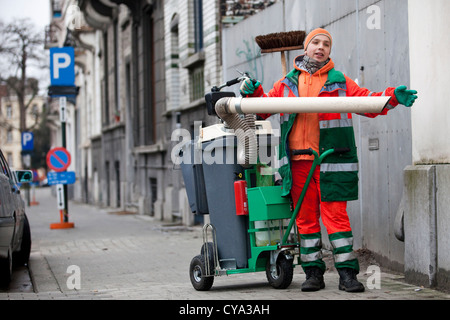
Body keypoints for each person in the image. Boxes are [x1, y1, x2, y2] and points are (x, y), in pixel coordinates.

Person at [240, 28, 417, 292]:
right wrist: (253, 93)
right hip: (299, 163)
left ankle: (347, 275)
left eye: (326, 44)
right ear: (306, 47)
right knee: (306, 219)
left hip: (332, 162)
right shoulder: (286, 84)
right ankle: (313, 274)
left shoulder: (340, 81)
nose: (321, 47)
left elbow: (366, 102)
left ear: (329, 51)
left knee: (336, 217)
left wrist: (391, 97)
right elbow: (263, 108)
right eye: (316, 42)